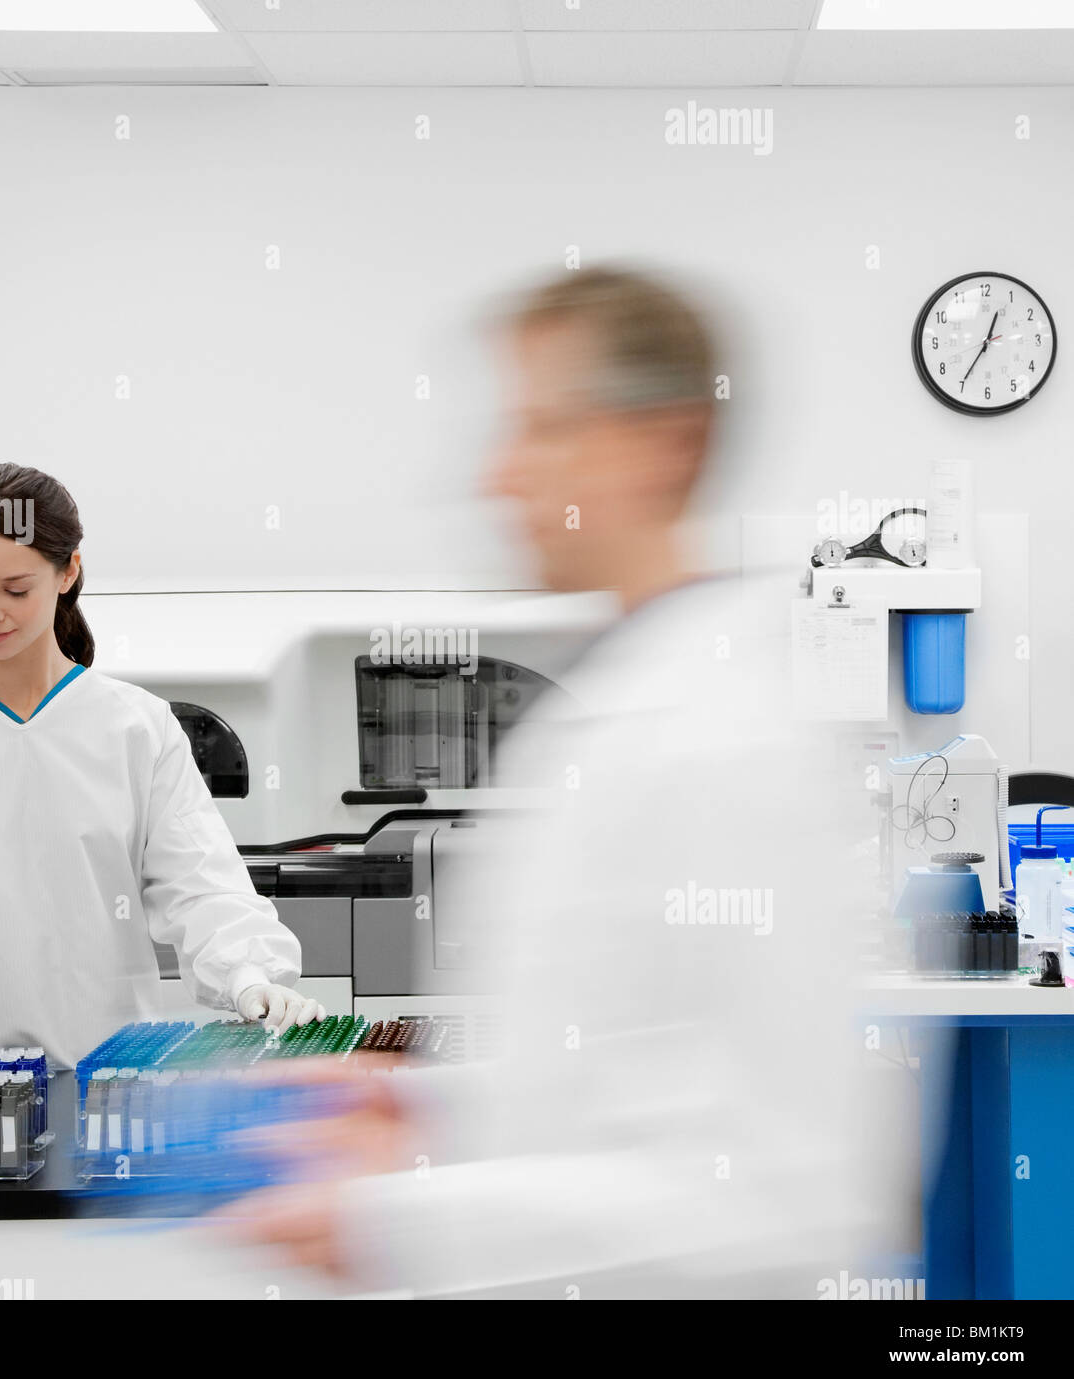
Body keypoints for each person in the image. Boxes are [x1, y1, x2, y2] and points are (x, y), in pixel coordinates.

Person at [226, 268, 907, 1296]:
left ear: (663, 443)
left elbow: (788, 1183)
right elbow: (616, 1072)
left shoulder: (732, 739)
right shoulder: (626, 699)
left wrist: (391, 1221)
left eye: (541, 430)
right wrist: (431, 1110)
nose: (498, 478)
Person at [0, 464, 325, 1070]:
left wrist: (251, 976)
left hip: (106, 1091)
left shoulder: (136, 730)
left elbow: (202, 888)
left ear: (68, 571)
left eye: (16, 589)